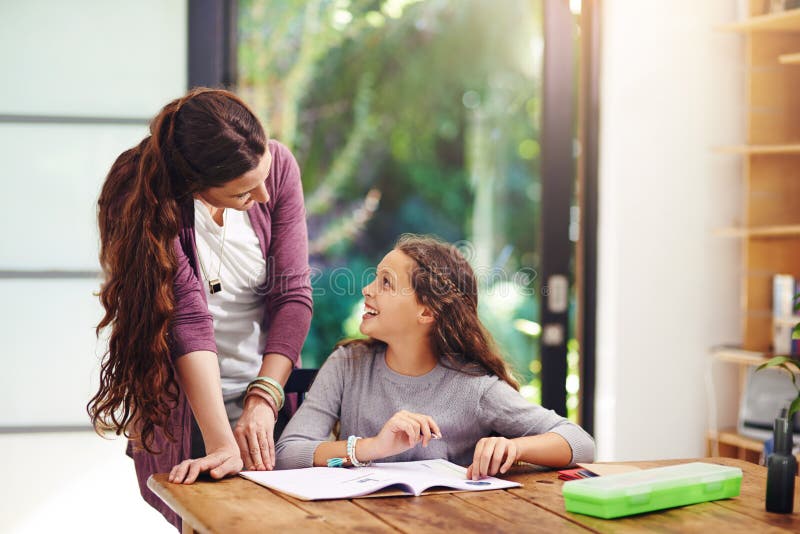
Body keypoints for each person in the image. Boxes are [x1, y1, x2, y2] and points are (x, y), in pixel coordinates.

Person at [88, 88, 312, 529]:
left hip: (265, 397)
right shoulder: (142, 195)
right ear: (196, 186)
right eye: (245, 191)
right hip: (185, 407)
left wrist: (264, 397)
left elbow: (292, 295)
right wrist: (221, 443)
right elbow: (186, 317)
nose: (264, 195)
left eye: (264, 174)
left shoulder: (279, 166)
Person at [275, 235, 594, 477]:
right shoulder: (348, 364)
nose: (367, 289)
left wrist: (514, 446)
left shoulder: (474, 387)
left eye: (385, 282)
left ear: (427, 311)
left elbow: (580, 443)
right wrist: (372, 447)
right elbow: (288, 453)